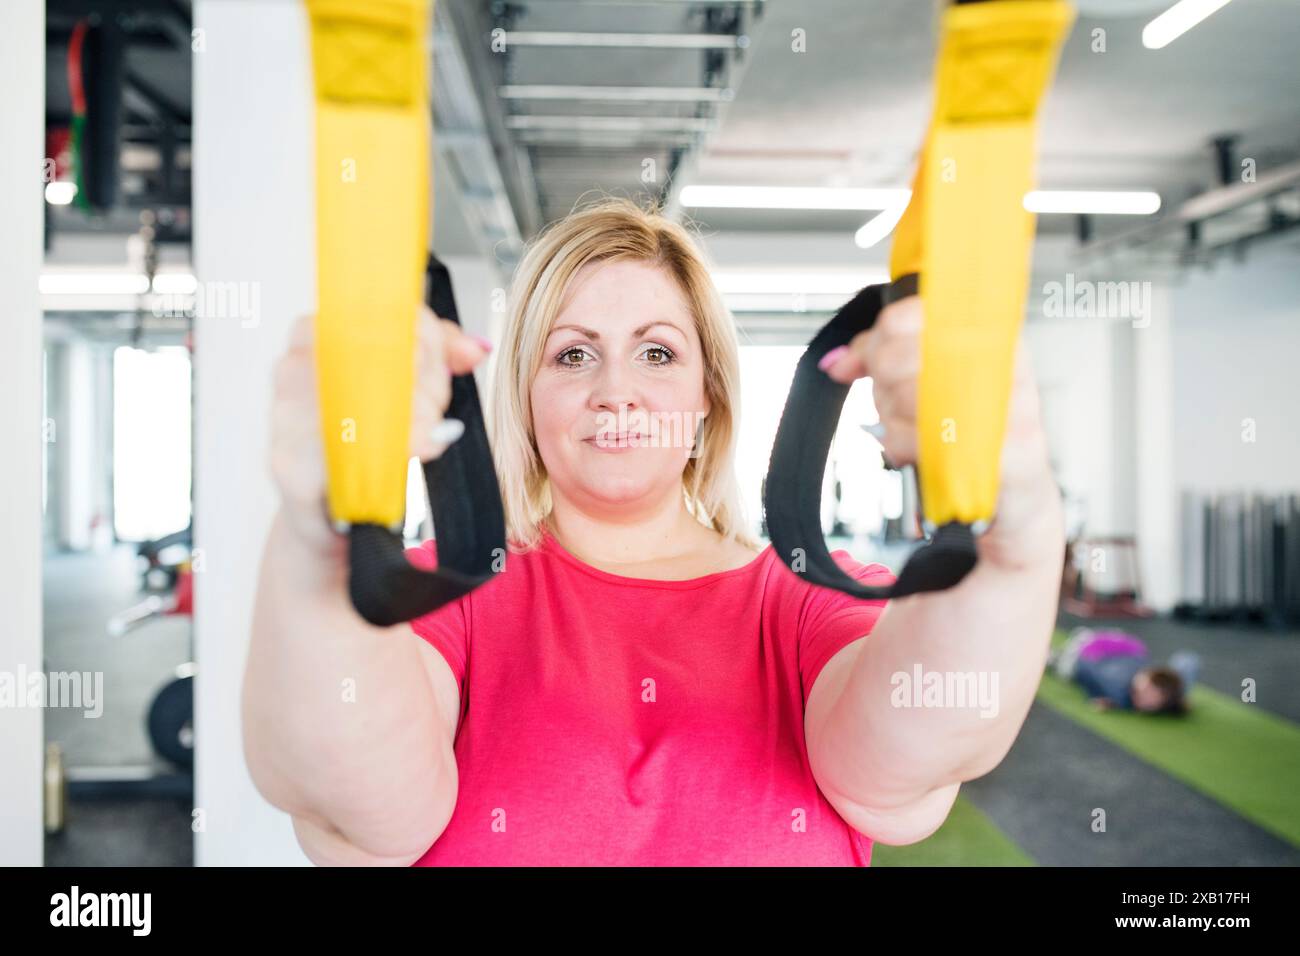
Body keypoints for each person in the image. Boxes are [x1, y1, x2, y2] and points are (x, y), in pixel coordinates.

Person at [242, 197, 1066, 866]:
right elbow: (361, 812)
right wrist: (322, 525)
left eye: (658, 353)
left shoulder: (805, 599)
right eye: (572, 356)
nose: (616, 392)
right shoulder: (444, 595)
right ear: (524, 396)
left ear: (708, 391)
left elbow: (909, 761)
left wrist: (1014, 512)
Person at [1051, 627, 1198, 715]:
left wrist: (1103, 700)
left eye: (1151, 703)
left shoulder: (1121, 695)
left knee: (1066, 666)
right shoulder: (1119, 680)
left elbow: (1188, 659)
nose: (1146, 700)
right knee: (1066, 663)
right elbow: (1088, 671)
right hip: (1086, 652)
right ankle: (1058, 655)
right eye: (1148, 693)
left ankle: (1058, 655)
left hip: (1093, 657)